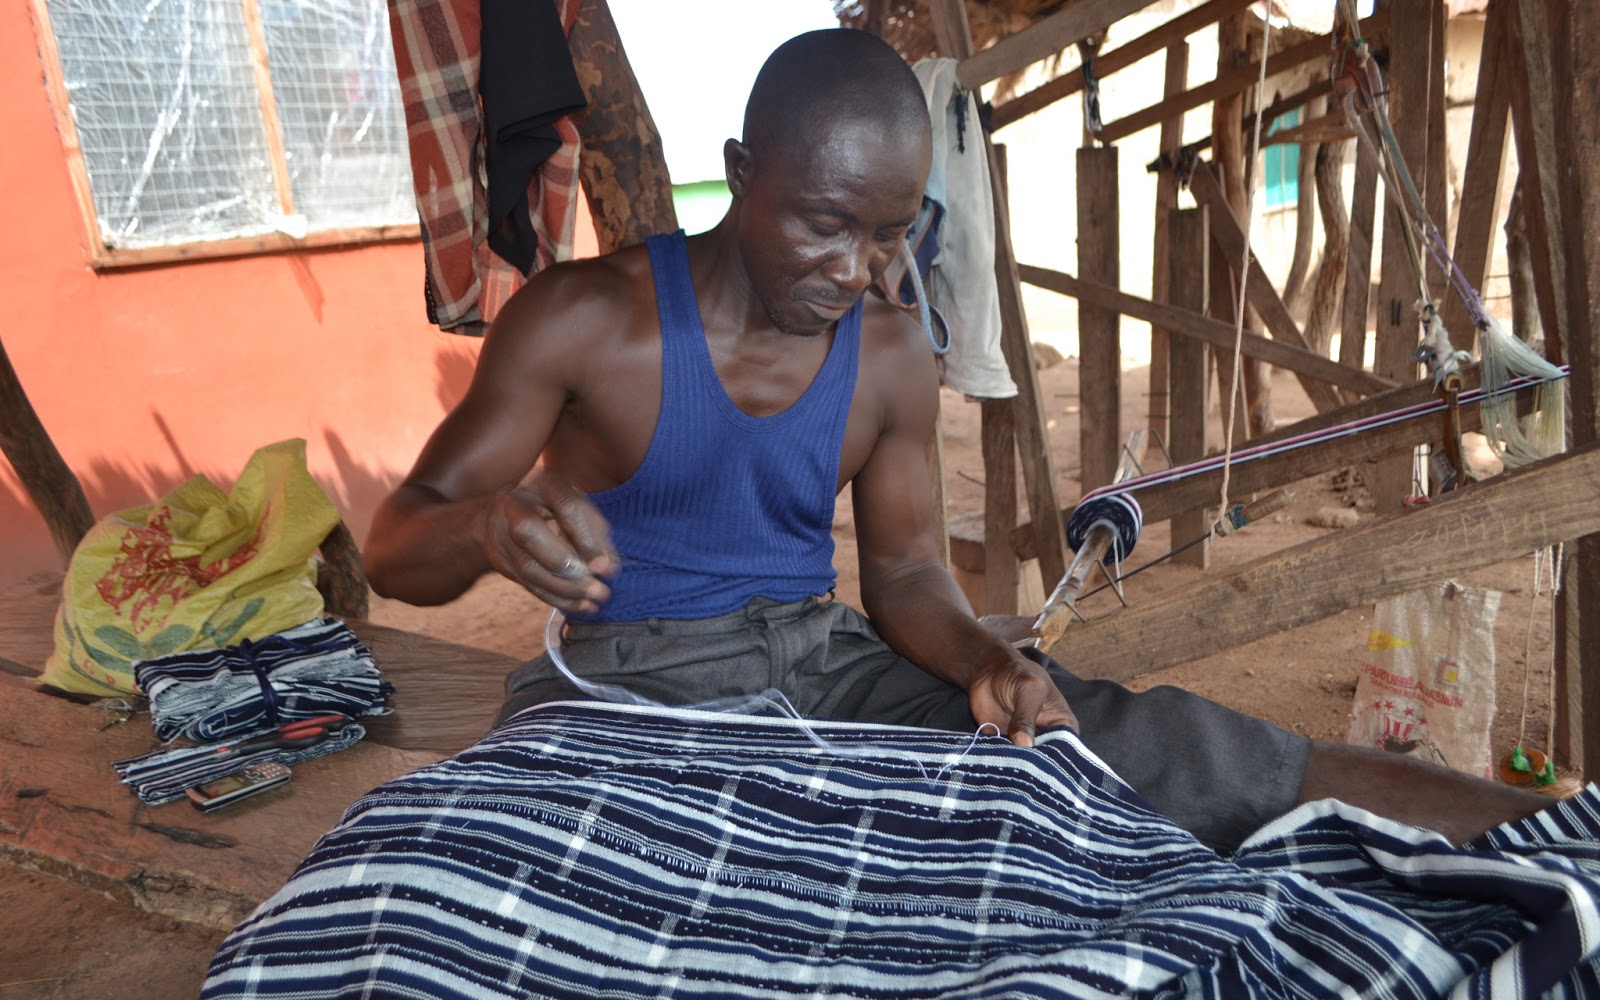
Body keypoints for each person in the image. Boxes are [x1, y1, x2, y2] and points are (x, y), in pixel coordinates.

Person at [365, 28, 1551, 855]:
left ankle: (1539, 838)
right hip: (621, 688)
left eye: (889, 235)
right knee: (508, 852)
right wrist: (481, 525)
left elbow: (908, 578)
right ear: (739, 176)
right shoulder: (583, 322)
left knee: (1122, 743)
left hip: (815, 668)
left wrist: (978, 661)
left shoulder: (886, 350)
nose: (857, 272)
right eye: (825, 226)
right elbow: (395, 546)